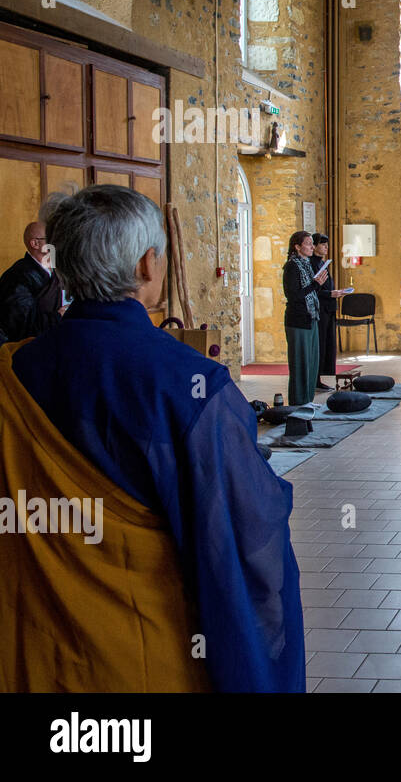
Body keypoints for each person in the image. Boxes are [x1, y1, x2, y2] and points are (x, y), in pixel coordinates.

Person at [0, 185, 304, 691]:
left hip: (31, 654)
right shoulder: (190, 385)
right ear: (147, 264)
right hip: (138, 662)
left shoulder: (11, 370)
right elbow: (245, 530)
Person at [0, 220, 66, 342]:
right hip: (25, 348)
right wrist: (58, 317)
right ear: (35, 243)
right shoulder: (18, 276)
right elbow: (21, 324)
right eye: (50, 238)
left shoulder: (57, 271)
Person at [284, 230, 326, 407]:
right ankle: (299, 401)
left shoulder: (307, 265)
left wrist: (317, 285)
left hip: (311, 318)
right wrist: (315, 284)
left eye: (311, 243)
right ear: (297, 247)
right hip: (298, 320)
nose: (312, 247)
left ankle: (308, 400)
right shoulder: (292, 266)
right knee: (300, 364)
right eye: (308, 244)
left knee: (312, 362)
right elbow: (294, 295)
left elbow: (310, 292)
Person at [309, 233, 347, 391]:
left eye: (327, 244)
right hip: (320, 308)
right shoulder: (311, 264)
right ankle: (315, 378)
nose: (326, 247)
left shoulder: (322, 263)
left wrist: (334, 292)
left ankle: (322, 376)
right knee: (320, 344)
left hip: (328, 307)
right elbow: (313, 289)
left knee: (327, 344)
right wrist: (329, 294)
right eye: (322, 244)